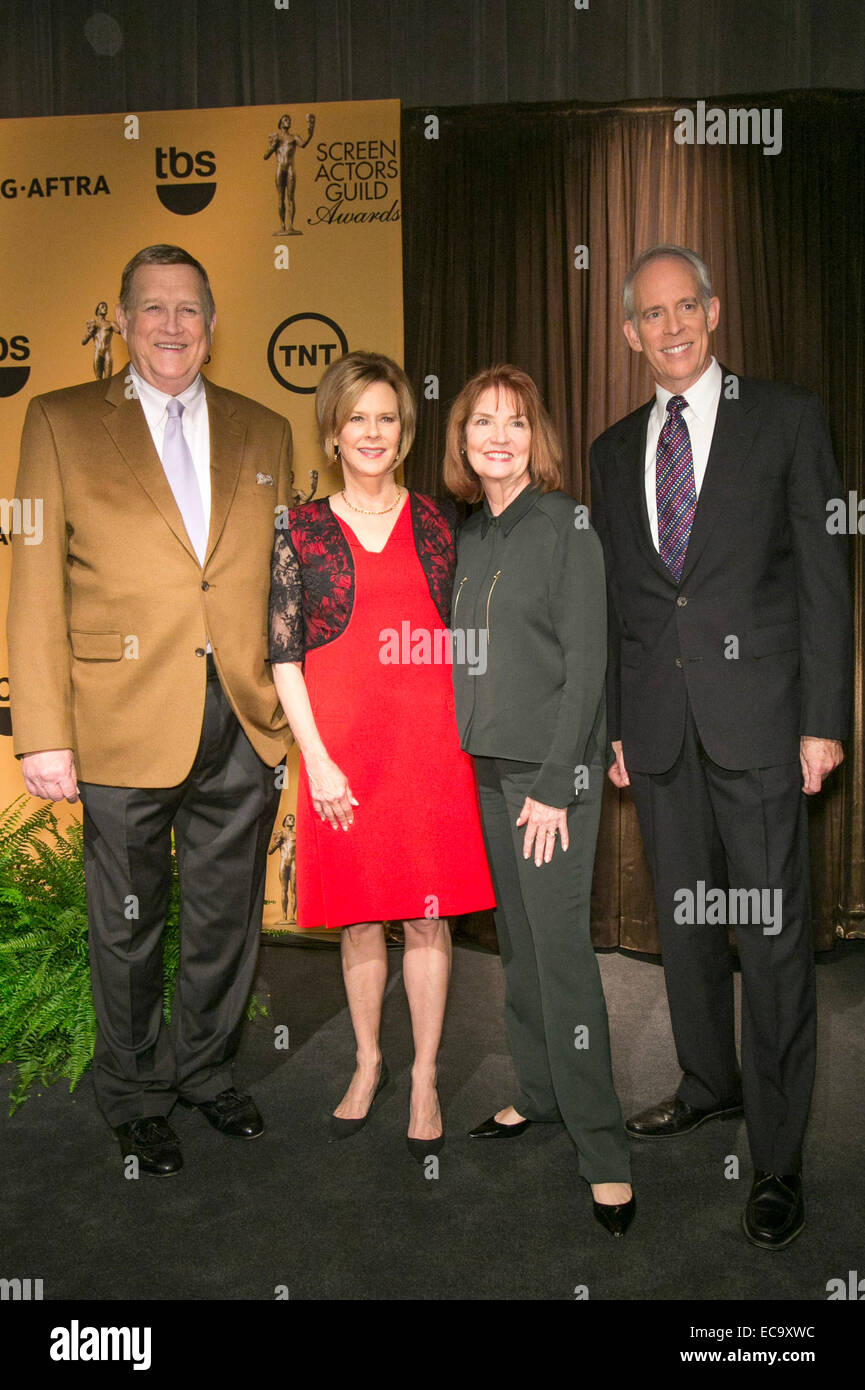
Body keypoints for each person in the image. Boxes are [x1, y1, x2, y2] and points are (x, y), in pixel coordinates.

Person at [7, 243, 292, 1176]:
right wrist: (41, 732)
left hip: (241, 718)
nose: (173, 326)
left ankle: (205, 1072)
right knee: (127, 923)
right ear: (124, 322)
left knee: (225, 916)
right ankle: (133, 1095)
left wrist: (294, 714)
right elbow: (32, 584)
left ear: (212, 325)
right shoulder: (59, 420)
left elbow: (283, 584)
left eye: (189, 309)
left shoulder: (265, 428)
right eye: (154, 309)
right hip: (117, 717)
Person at [589, 244, 852, 1249]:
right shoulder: (615, 449)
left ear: (713, 310)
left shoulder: (785, 418)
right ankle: (708, 1082)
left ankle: (777, 1157)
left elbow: (823, 578)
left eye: (684, 306)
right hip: (659, 728)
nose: (671, 326)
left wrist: (823, 720)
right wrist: (616, 722)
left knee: (773, 940)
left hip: (763, 724)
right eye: (650, 314)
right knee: (687, 922)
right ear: (630, 332)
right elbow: (619, 602)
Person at [269, 351, 495, 1160]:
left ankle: (425, 1075)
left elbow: (472, 639)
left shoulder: (439, 522)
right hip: (341, 755)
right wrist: (317, 760)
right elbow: (283, 656)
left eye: (387, 419)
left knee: (428, 917)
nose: (372, 433)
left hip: (430, 753)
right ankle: (368, 1062)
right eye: (356, 418)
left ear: (405, 432)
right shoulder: (297, 529)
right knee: (359, 918)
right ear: (332, 431)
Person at [444, 364, 634, 1238]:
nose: (498, 436)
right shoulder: (471, 534)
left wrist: (557, 785)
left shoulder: (566, 525)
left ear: (536, 440)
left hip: (548, 780)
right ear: (462, 440)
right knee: (516, 948)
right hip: (485, 770)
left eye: (515, 422)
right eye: (483, 422)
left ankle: (603, 1152)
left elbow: (588, 664)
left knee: (561, 958)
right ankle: (538, 1093)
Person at [264, 112, 315, 234]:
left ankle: (291, 225)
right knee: (280, 197)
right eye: (286, 119)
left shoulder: (294, 137)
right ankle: (282, 225)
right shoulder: (276, 138)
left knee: (291, 197)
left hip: (290, 168)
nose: (288, 121)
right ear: (281, 123)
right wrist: (272, 145)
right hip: (280, 168)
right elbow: (265, 156)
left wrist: (310, 132)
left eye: (289, 120)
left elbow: (303, 144)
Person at [81, 301, 121, 379]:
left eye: (106, 307)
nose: (105, 308)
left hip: (107, 352)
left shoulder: (110, 324)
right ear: (98, 310)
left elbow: (121, 331)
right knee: (98, 380)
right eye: (102, 307)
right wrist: (90, 331)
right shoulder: (94, 325)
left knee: (108, 379)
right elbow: (83, 342)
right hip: (98, 353)